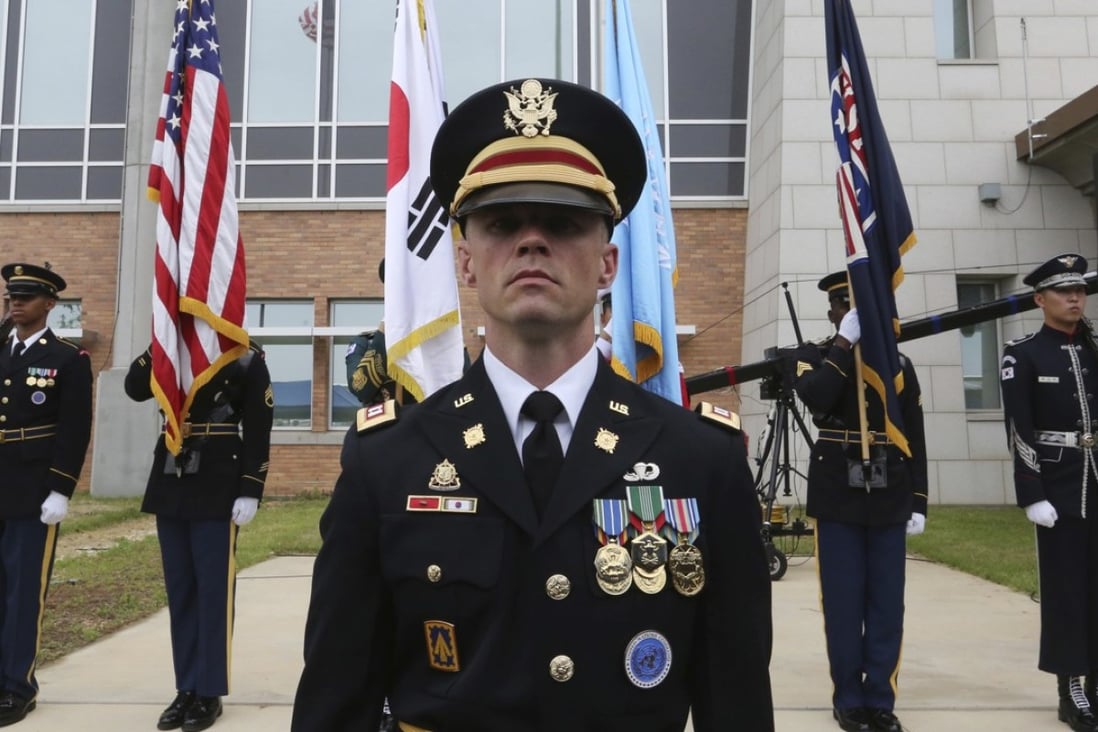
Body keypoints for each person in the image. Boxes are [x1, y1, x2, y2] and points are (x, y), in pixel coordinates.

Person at [292, 77, 774, 732]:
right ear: (465, 261)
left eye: (563, 222)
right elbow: (334, 702)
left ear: (608, 264)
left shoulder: (701, 461)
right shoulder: (389, 460)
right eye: (501, 223)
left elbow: (737, 703)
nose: (531, 241)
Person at [790, 271, 928, 732]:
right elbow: (818, 397)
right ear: (833, 313)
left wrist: (919, 501)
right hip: (838, 495)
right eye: (844, 310)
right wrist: (844, 346)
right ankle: (848, 696)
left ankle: (880, 698)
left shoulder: (898, 365)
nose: (852, 317)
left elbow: (915, 436)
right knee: (845, 603)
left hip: (889, 489)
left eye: (861, 311)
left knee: (887, 604)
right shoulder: (811, 357)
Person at [124, 339, 274, 732]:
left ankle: (209, 690)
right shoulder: (170, 346)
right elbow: (135, 387)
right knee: (180, 590)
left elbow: (259, 426)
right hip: (172, 476)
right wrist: (159, 343)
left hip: (218, 476)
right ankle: (185, 687)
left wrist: (250, 488)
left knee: (212, 591)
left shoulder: (243, 356)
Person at [1000, 253, 1098, 732]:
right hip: (1060, 486)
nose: (1075, 297)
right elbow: (1020, 427)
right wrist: (1031, 491)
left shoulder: (1094, 348)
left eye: (1079, 290)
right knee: (1066, 590)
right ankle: (1071, 685)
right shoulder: (1023, 353)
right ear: (1041, 299)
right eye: (1064, 291)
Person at [0, 262, 92, 726]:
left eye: (27, 296)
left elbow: (75, 430)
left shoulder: (68, 359)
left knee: (21, 592)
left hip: (31, 489)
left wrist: (61, 488)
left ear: (50, 304)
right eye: (11, 296)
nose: (15, 302)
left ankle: (17, 685)